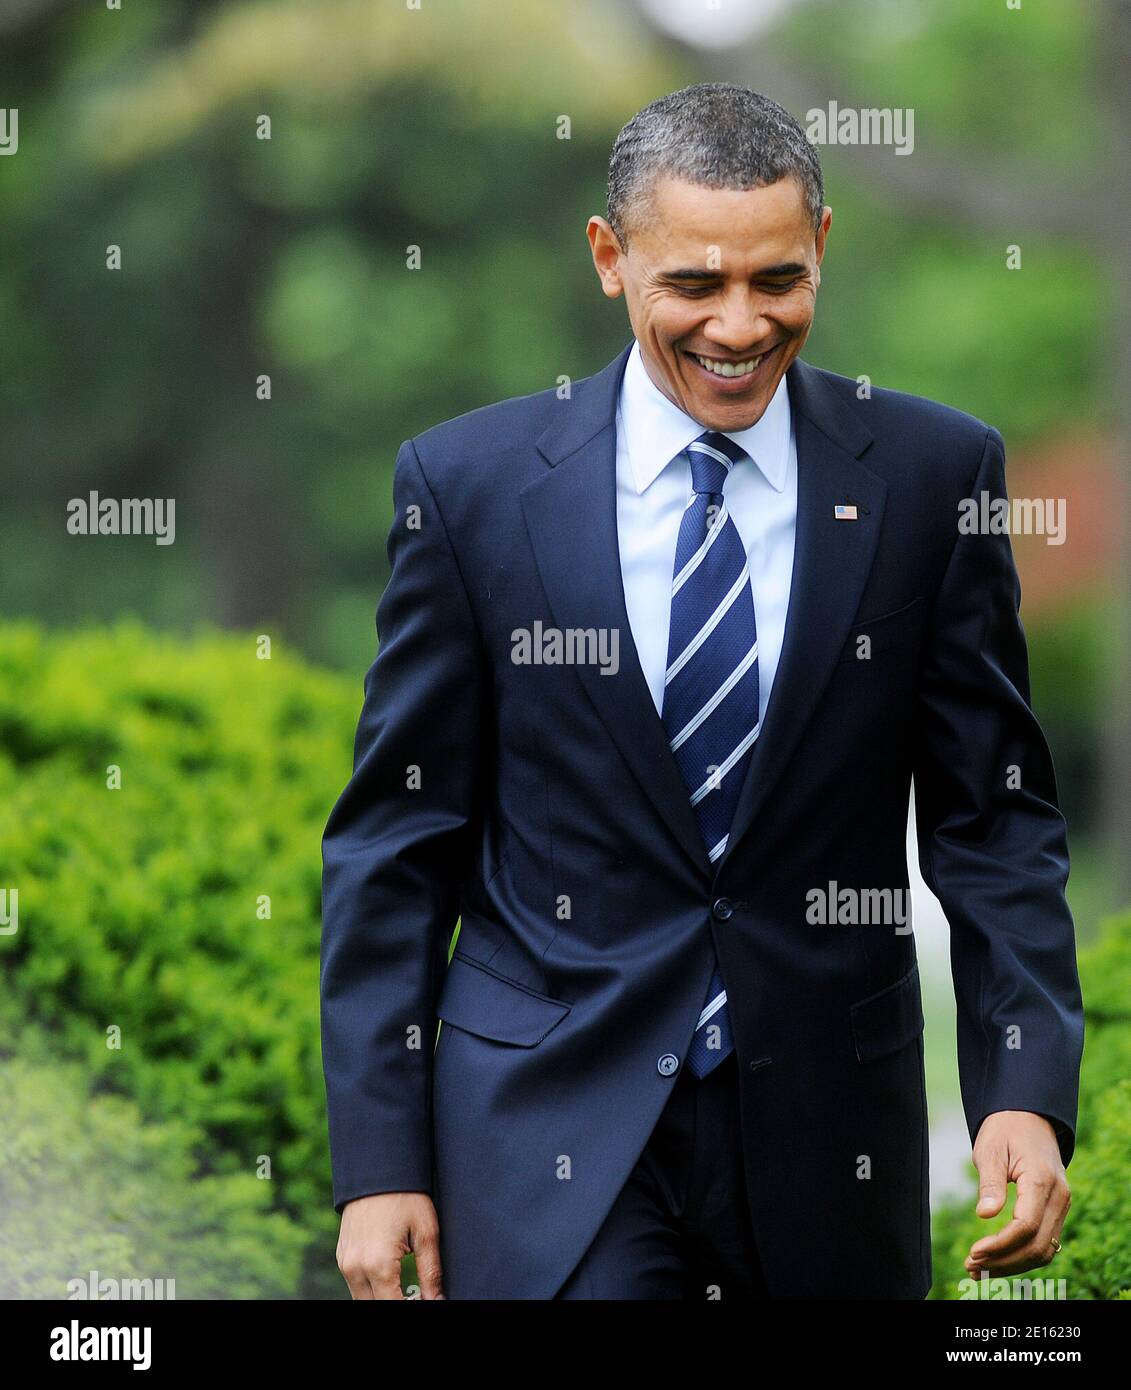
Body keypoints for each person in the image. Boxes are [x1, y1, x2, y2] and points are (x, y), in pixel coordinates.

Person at [320, 83, 1083, 1300]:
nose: (740, 326)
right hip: (546, 1134)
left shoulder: (938, 477)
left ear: (824, 246)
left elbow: (993, 822)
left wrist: (1025, 1090)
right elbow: (398, 843)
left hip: (831, 1137)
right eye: (695, 285)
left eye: (777, 280)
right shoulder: (466, 488)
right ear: (610, 259)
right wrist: (377, 1163)